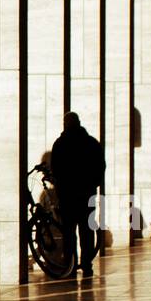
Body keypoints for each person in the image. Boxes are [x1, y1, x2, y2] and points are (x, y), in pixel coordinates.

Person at [50, 111, 104, 277]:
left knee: (69, 231)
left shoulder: (60, 144)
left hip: (68, 195)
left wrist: (59, 188)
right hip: (87, 193)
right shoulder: (91, 143)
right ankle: (86, 264)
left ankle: (71, 264)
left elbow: (56, 170)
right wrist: (94, 184)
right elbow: (100, 166)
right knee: (86, 230)